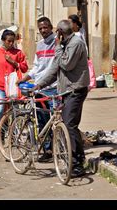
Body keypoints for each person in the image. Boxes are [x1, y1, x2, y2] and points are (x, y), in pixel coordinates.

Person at [34, 19, 90, 178]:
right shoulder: (65, 45)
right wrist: (40, 84)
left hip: (76, 89)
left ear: (59, 32)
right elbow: (55, 69)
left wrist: (58, 46)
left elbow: (66, 64)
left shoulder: (75, 44)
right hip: (66, 90)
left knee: (70, 124)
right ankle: (74, 157)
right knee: (68, 124)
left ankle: (78, 163)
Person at [17, 16, 58, 162]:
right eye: (40, 28)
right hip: (39, 87)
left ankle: (59, 147)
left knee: (56, 120)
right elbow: (36, 67)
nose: (43, 30)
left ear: (51, 27)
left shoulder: (57, 42)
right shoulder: (40, 45)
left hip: (54, 87)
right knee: (42, 120)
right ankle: (47, 149)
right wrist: (25, 78)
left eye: (45, 27)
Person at [0, 30, 28, 130]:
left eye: (12, 41)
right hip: (1, 87)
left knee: (15, 110)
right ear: (3, 40)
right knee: (0, 110)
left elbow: (24, 68)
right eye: (8, 41)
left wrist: (14, 62)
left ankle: (14, 134)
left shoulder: (18, 53)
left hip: (14, 87)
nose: (10, 43)